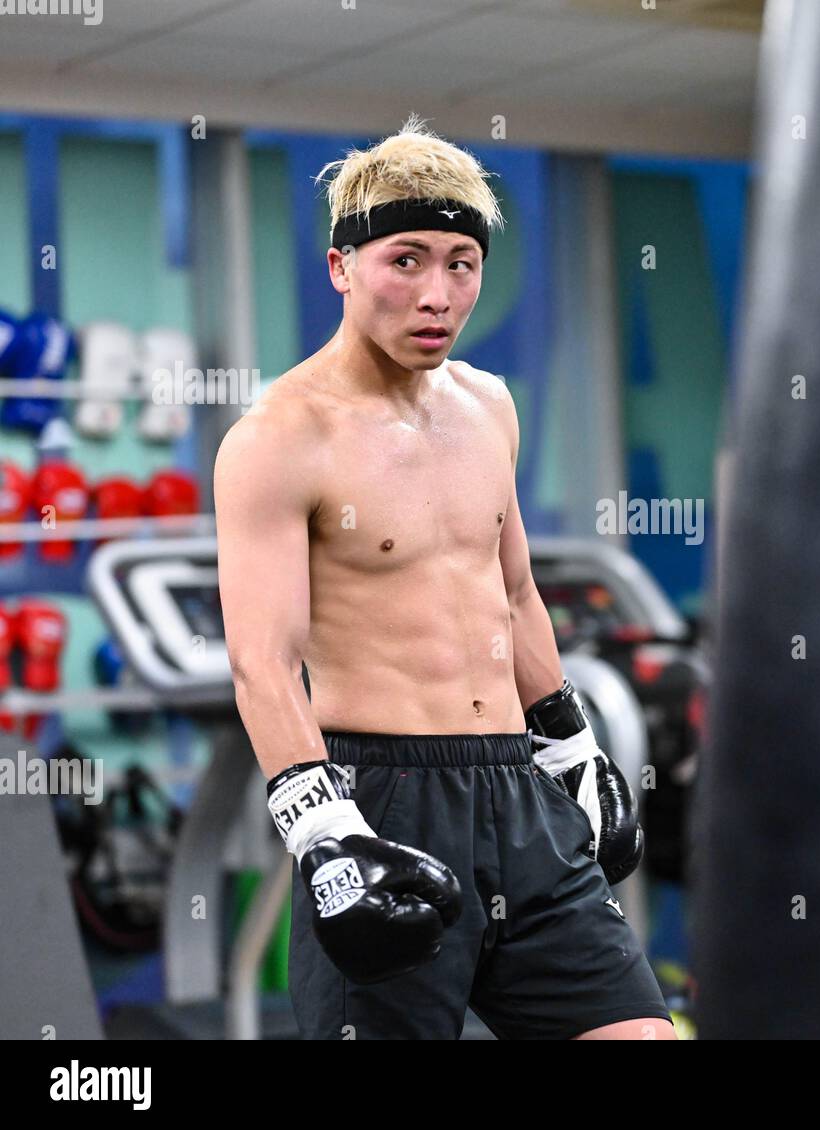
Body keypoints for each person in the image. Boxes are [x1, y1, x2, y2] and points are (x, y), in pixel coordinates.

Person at [214, 117, 674, 1041]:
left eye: (462, 262)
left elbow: (511, 595)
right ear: (343, 266)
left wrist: (571, 744)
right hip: (379, 798)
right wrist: (323, 834)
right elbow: (264, 664)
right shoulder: (279, 437)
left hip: (517, 791)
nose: (438, 294)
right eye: (407, 260)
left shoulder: (488, 405)